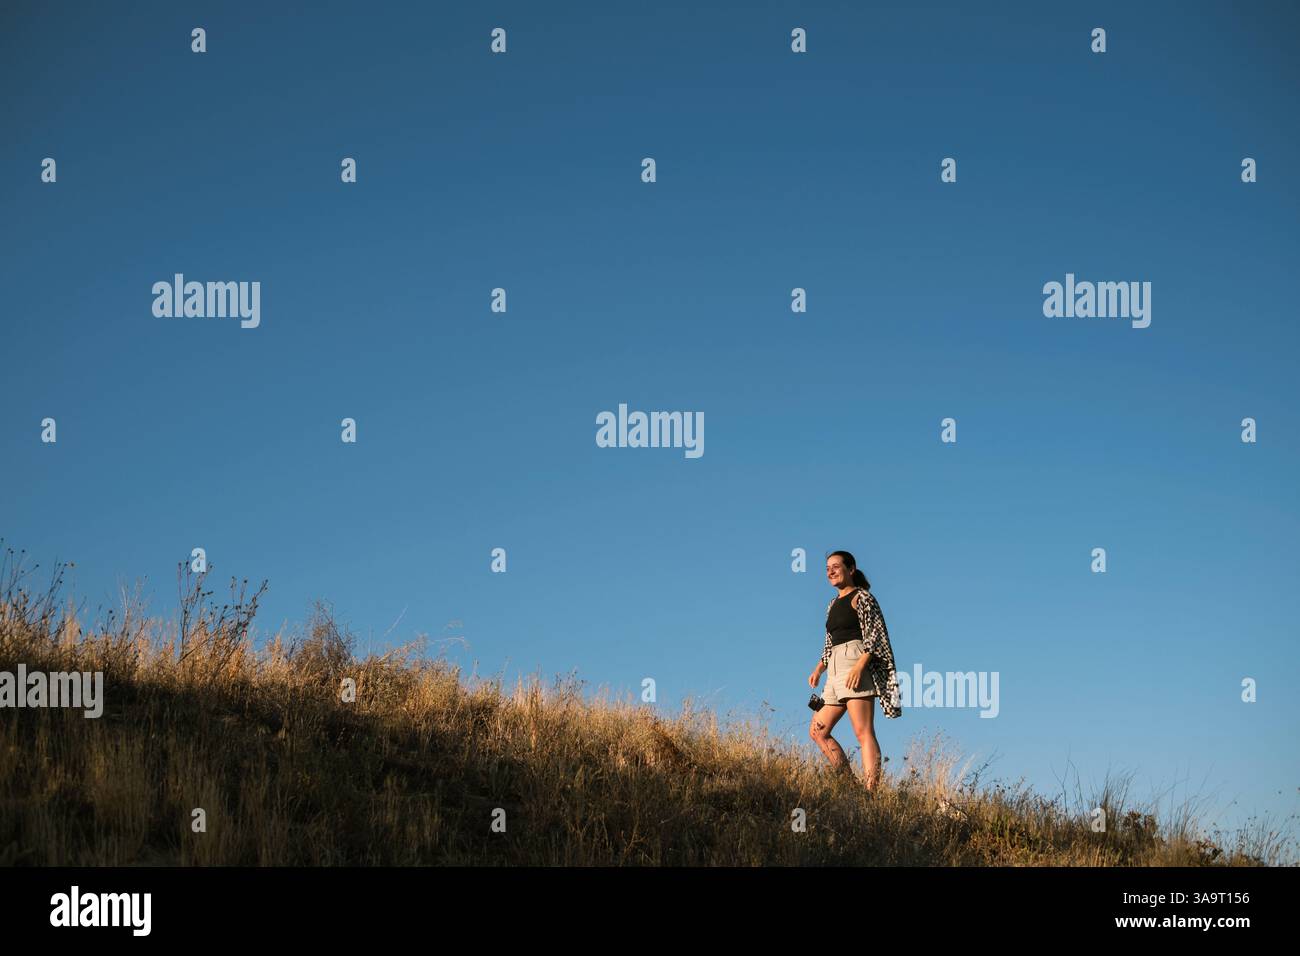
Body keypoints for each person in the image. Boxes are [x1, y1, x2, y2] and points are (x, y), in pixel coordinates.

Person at [808, 550, 902, 790]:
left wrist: (861, 665)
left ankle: (870, 793)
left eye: (836, 566)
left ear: (851, 569)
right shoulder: (832, 604)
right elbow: (830, 641)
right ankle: (850, 787)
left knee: (863, 732)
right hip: (835, 668)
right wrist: (820, 668)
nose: (830, 571)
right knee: (818, 730)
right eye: (827, 568)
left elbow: (876, 634)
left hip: (856, 661)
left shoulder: (863, 598)